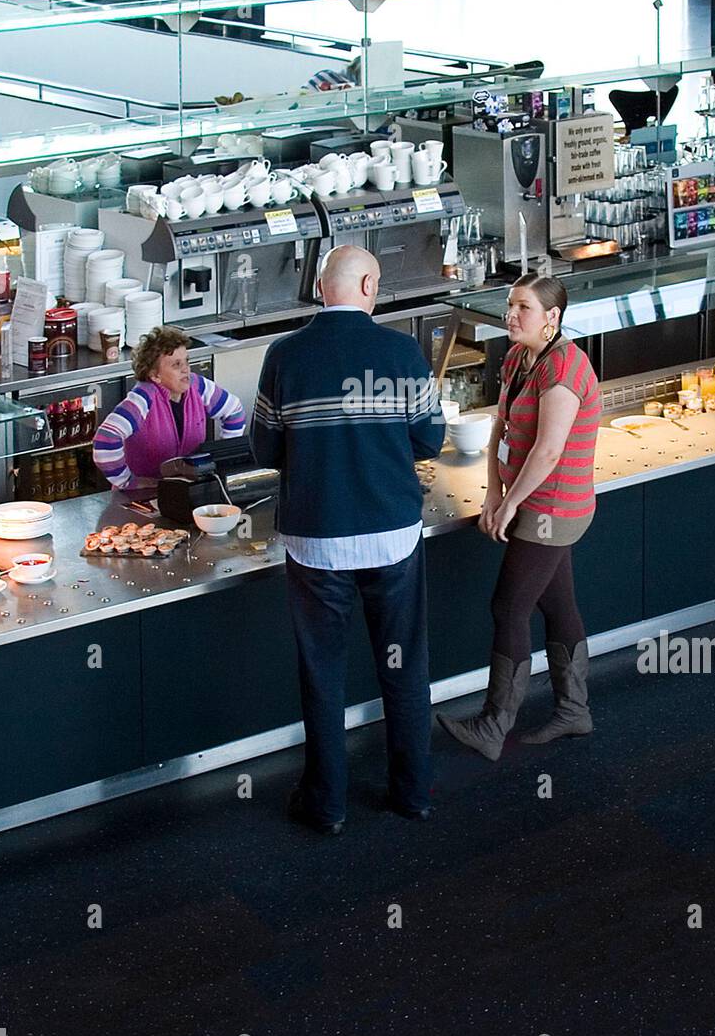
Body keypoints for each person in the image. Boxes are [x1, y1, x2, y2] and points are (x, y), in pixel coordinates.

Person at [252, 245, 445, 834]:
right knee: (404, 668)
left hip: (317, 543)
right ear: (366, 285)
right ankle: (412, 794)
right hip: (392, 536)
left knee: (323, 673)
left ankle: (326, 805)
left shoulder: (285, 356)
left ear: (318, 285)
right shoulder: (401, 351)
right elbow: (431, 439)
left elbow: (264, 450)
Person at [438, 273, 601, 760]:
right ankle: (575, 711)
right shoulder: (517, 358)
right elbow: (501, 428)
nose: (511, 316)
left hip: (552, 506)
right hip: (530, 501)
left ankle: (494, 725)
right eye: (510, 305)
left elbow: (549, 451)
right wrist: (494, 493)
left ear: (551, 317)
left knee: (508, 608)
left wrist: (511, 505)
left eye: (523, 308)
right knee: (557, 605)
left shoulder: (565, 369)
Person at [92, 326, 245, 491]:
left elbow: (234, 411)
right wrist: (128, 481)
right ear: (154, 375)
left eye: (186, 361)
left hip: (187, 489)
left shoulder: (197, 386)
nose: (186, 369)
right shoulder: (143, 399)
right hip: (142, 496)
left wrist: (223, 461)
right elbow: (105, 440)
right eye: (176, 365)